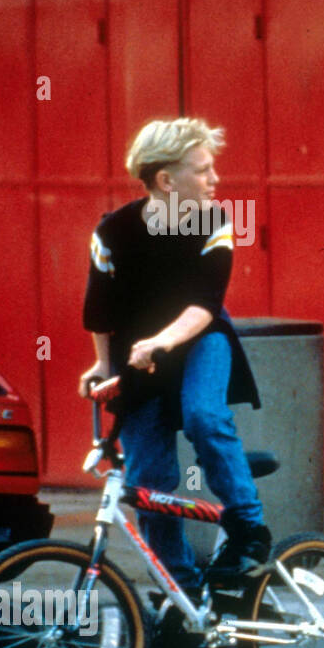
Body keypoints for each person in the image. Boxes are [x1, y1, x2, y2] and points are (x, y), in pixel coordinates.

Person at [78, 118, 272, 611]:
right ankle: (183, 593)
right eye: (203, 171)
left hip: (200, 342)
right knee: (150, 481)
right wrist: (103, 366)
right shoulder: (112, 232)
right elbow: (100, 310)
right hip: (138, 357)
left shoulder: (213, 222)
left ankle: (249, 530)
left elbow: (204, 306)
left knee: (204, 416)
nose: (215, 181)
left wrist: (160, 343)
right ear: (166, 181)